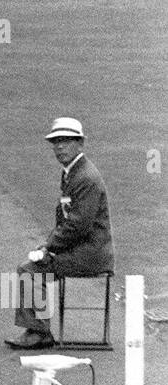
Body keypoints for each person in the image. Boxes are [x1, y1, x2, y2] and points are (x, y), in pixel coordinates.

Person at [6, 118, 115, 350]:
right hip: (81, 249)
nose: (60, 147)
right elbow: (68, 220)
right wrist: (50, 246)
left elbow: (78, 225)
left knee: (30, 270)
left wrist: (49, 247)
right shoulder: (73, 172)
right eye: (56, 142)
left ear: (80, 143)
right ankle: (39, 330)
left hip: (90, 255)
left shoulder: (85, 177)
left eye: (66, 141)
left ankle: (38, 332)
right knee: (33, 267)